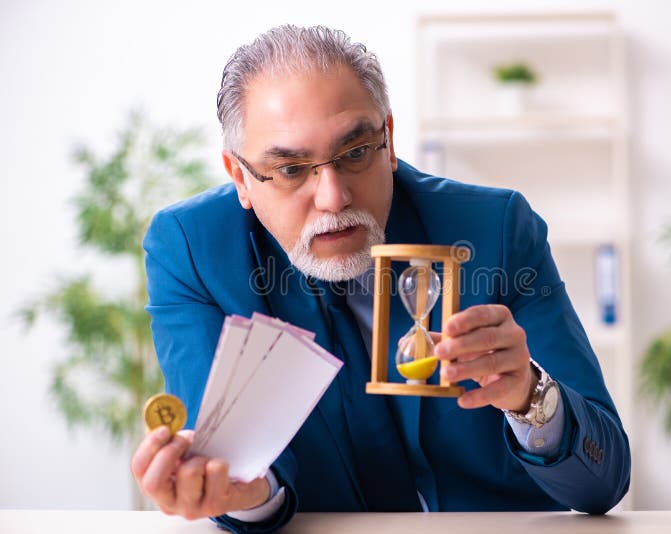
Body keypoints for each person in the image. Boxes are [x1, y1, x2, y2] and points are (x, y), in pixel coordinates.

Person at [131, 25, 630, 533]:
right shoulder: (190, 251)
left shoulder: (496, 229)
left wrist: (530, 397)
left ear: (388, 140)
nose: (333, 198)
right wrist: (245, 493)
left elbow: (604, 481)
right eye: (291, 170)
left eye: (354, 154)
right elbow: (222, 465)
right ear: (240, 177)